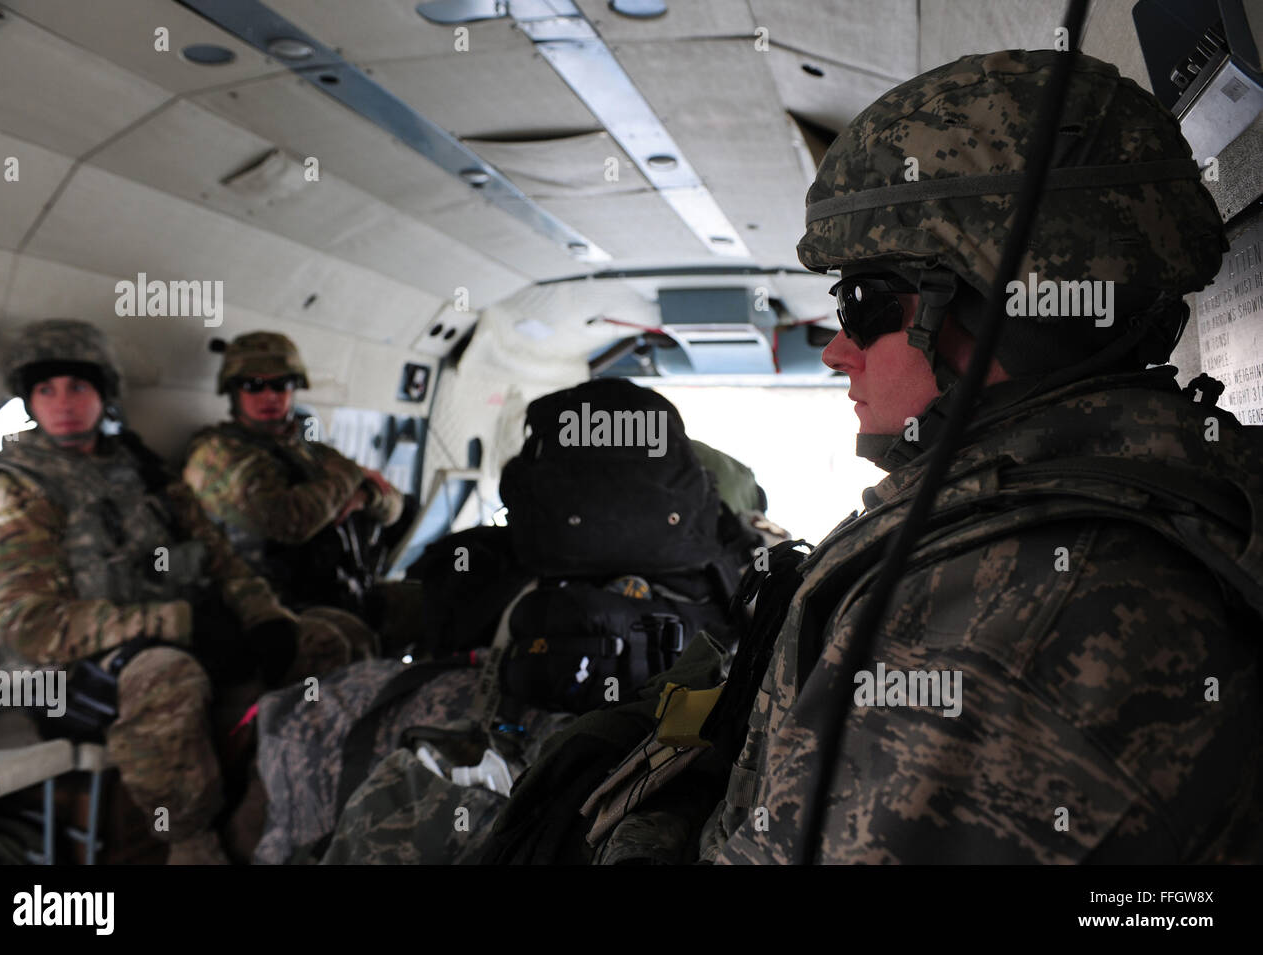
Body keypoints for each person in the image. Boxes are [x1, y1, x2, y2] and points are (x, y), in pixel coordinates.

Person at [483, 49, 1263, 865]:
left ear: (1001, 308)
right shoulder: (1124, 487)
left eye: (862, 303)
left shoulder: (995, 632)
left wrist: (648, 821)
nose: (835, 351)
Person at [0, 319, 369, 864]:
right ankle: (189, 844)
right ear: (29, 400)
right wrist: (177, 623)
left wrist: (263, 615)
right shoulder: (16, 489)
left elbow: (219, 558)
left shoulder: (141, 470)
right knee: (164, 678)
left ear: (103, 393)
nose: (63, 402)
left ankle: (277, 807)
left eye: (78, 387)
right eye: (46, 390)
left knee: (315, 642)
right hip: (50, 676)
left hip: (157, 637)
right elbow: (30, 629)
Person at [183, 332, 404, 626]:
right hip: (276, 613)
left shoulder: (309, 450)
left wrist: (364, 497)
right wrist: (351, 476)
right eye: (254, 385)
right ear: (234, 391)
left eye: (281, 384)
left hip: (343, 591)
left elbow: (393, 507)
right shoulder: (216, 455)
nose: (270, 396)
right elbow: (290, 521)